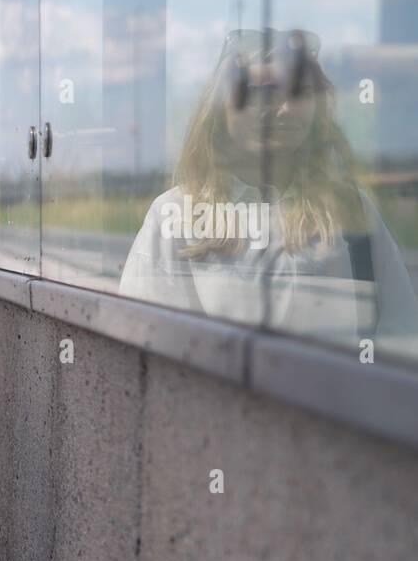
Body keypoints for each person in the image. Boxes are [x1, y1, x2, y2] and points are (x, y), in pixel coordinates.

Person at [119, 28, 418, 359]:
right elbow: (151, 357)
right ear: (220, 108)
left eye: (301, 93)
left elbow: (402, 333)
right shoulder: (175, 213)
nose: (286, 108)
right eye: (263, 92)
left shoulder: (351, 206)